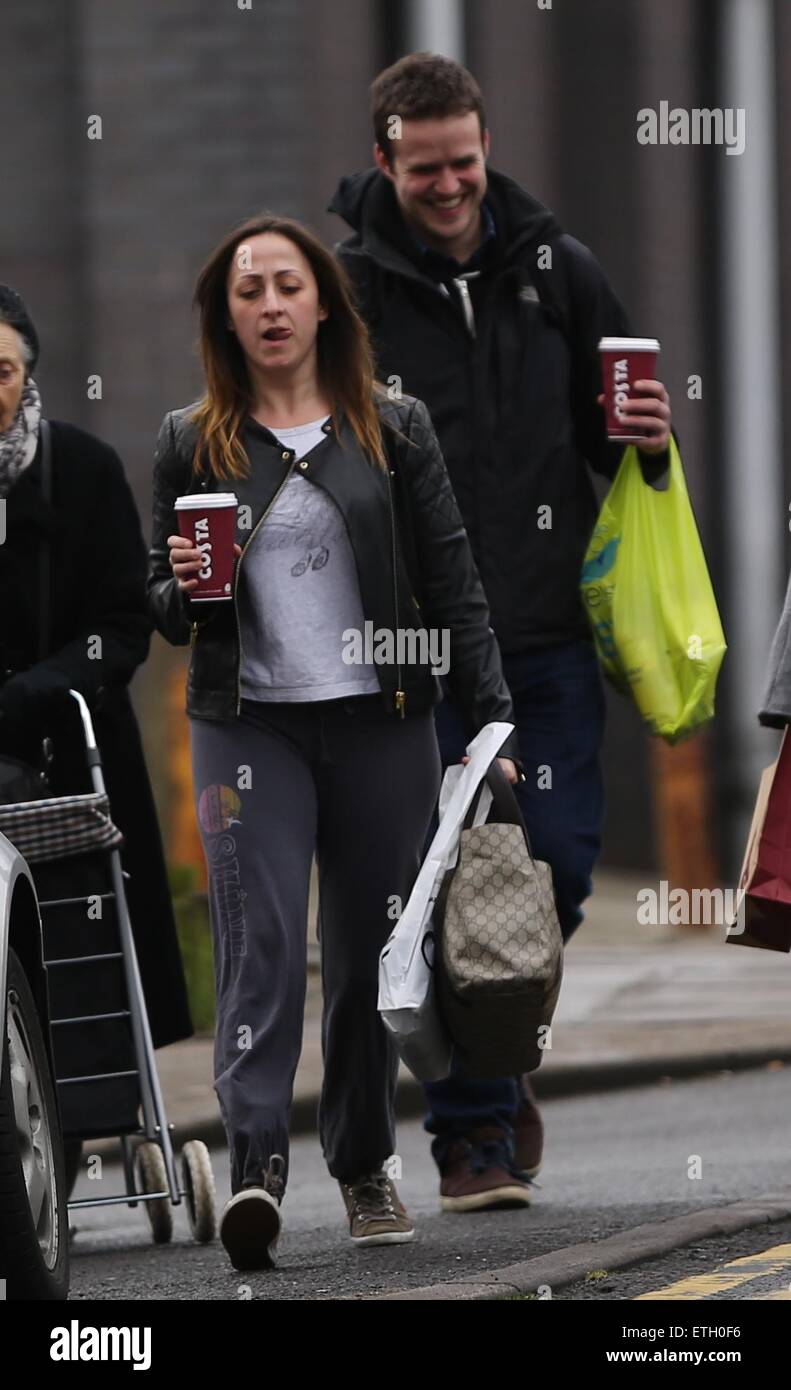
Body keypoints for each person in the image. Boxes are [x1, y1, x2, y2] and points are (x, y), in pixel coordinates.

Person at [329, 51, 674, 1212]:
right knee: (441, 886)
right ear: (384, 160)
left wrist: (648, 438)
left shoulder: (554, 270)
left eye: (463, 164)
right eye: (423, 168)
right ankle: (472, 1135)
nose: (446, 187)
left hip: (540, 627)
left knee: (555, 865)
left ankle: (490, 1043)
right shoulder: (349, 292)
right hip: (415, 647)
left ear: (485, 151)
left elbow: (615, 439)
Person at [146, 212, 521, 1271]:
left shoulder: (390, 428)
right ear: (226, 316)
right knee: (259, 941)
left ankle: (361, 1163)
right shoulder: (191, 438)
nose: (269, 305)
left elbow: (450, 581)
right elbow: (160, 609)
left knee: (368, 954)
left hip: (381, 722)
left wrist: (488, 722)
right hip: (248, 724)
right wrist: (183, 582)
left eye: (287, 285)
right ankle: (257, 1169)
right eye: (248, 290)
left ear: (322, 303)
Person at [0, 284, 193, 1082]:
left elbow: (124, 619)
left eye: (2, 370)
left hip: (69, 745)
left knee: (82, 949)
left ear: (27, 375)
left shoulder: (81, 466)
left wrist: (40, 687)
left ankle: (104, 1100)